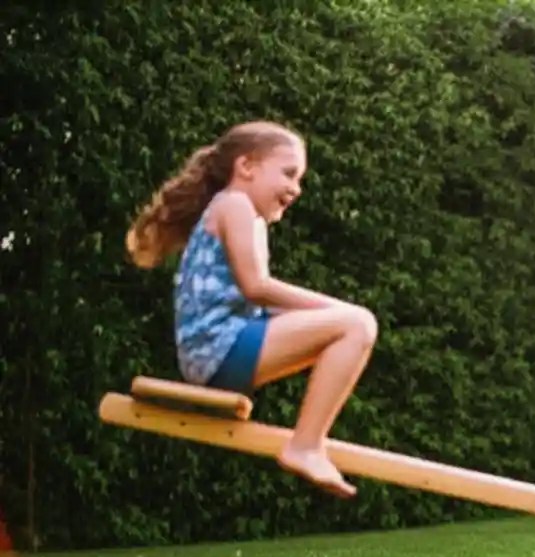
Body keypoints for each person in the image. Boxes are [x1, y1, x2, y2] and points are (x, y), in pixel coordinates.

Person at [125, 120, 377, 499]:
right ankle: (305, 445)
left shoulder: (244, 215)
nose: (296, 188)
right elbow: (256, 287)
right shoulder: (234, 204)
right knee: (357, 326)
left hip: (216, 349)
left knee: (350, 329)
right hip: (218, 349)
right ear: (246, 167)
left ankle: (309, 442)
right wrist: (341, 310)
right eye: (289, 174)